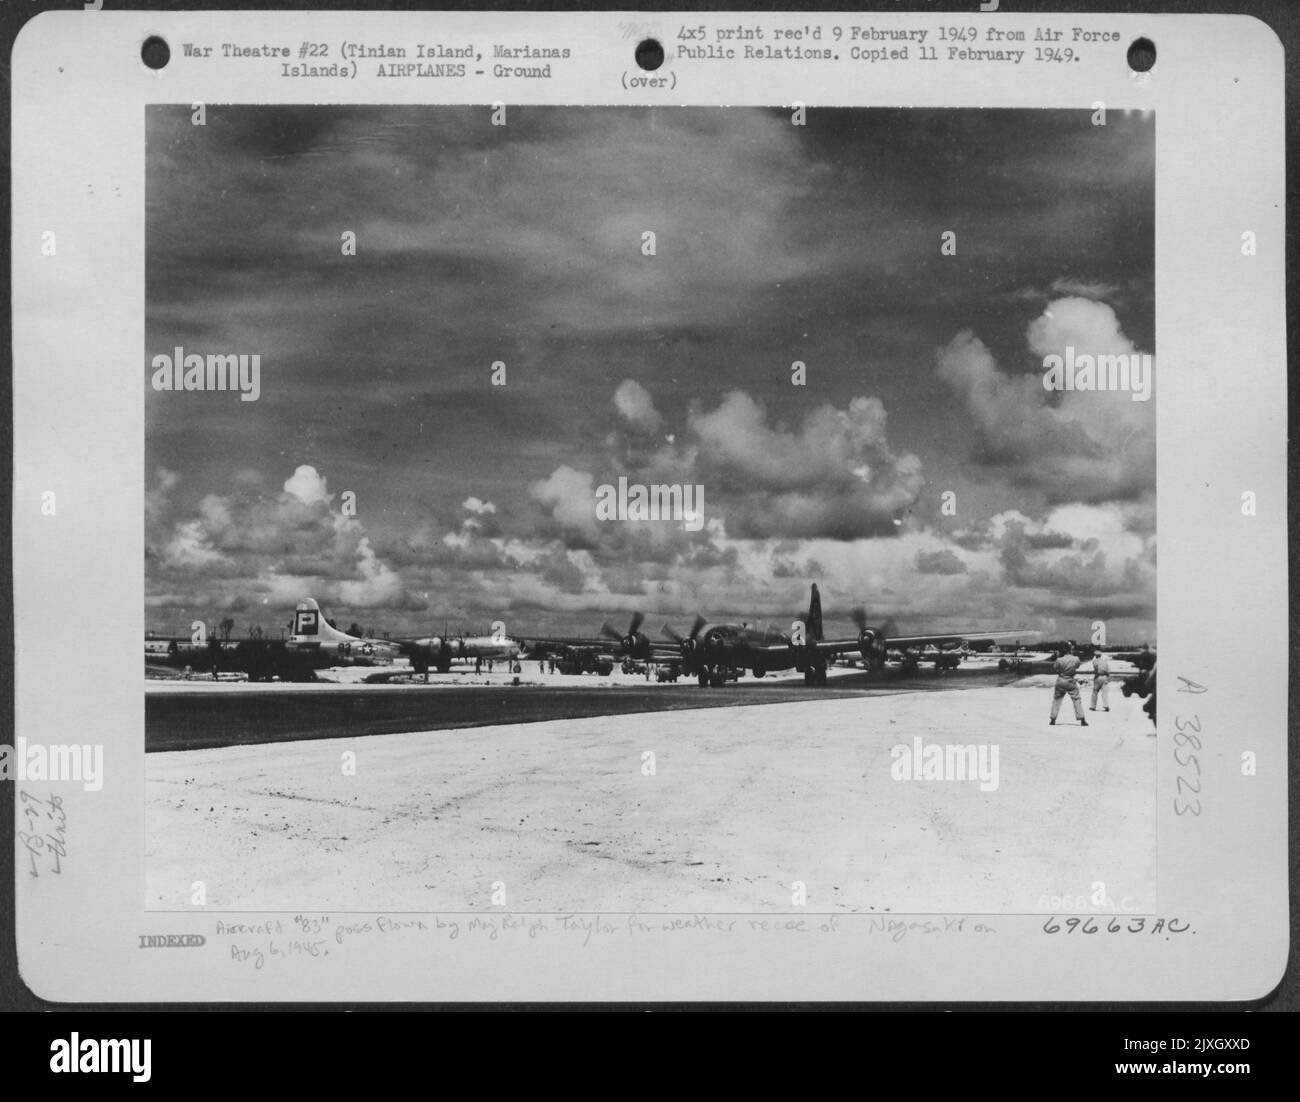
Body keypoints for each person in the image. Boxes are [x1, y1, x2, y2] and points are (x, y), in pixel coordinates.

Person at [1049, 642, 1088, 726]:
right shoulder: (1076, 659)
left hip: (1061, 680)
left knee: (1056, 700)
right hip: (1070, 680)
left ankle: (1053, 719)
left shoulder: (1059, 660)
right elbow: (1077, 666)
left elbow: (1055, 668)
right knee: (1077, 699)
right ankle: (1082, 719)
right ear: (1071, 649)